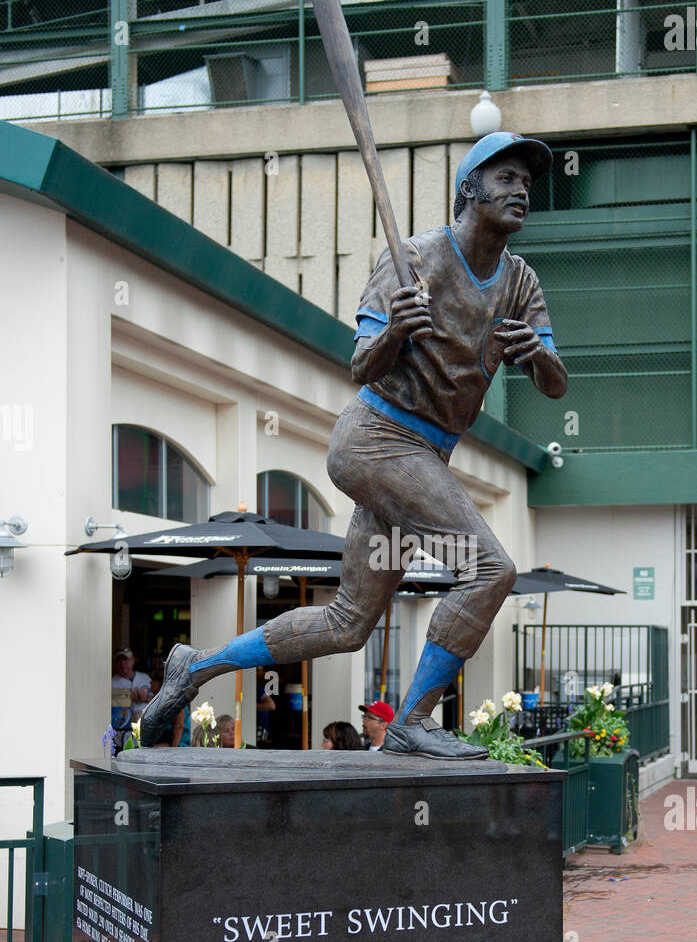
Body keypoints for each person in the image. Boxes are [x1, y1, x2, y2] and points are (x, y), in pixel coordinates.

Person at [140, 132, 568, 758]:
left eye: (526, 181)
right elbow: (362, 365)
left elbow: (556, 384)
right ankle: (412, 720)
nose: (521, 189)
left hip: (424, 457)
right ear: (468, 190)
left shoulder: (521, 281)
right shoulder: (413, 258)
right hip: (375, 439)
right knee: (489, 568)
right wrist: (396, 330)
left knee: (347, 624)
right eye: (504, 178)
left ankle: (195, 666)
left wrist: (538, 357)